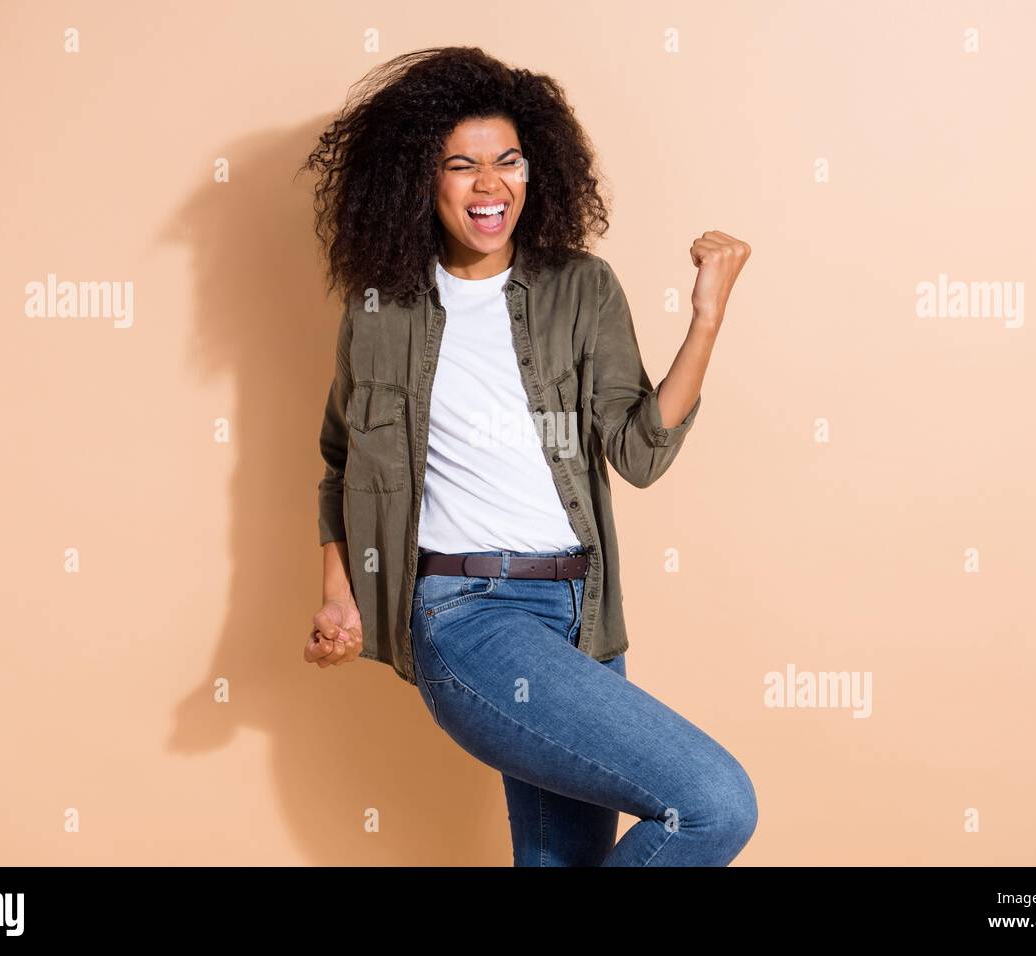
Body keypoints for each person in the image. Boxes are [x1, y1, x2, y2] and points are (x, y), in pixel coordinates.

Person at [300, 46, 754, 866]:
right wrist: (342, 598)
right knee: (711, 803)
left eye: (507, 161)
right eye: (462, 166)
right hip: (466, 614)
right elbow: (341, 464)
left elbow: (640, 451)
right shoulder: (380, 310)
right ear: (420, 180)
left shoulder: (582, 287)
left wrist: (707, 319)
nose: (490, 186)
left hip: (585, 618)